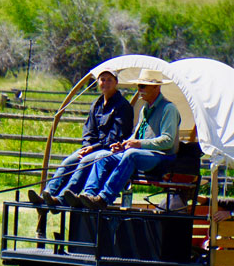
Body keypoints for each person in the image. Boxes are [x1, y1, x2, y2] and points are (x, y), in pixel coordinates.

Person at [75, 69, 180, 209]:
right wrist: (124, 145)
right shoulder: (145, 109)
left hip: (163, 157)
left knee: (131, 154)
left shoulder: (168, 108)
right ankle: (89, 196)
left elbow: (168, 141)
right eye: (138, 86)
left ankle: (104, 198)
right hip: (143, 155)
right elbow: (136, 135)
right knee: (103, 156)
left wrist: (138, 144)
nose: (140, 90)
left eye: (143, 86)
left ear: (156, 87)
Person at [29, 69, 133, 207]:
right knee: (68, 162)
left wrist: (93, 148)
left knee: (85, 161)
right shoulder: (96, 104)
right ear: (97, 82)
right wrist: (87, 146)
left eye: (109, 80)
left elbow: (116, 136)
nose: (105, 83)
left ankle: (61, 199)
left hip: (111, 150)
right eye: (102, 79)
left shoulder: (123, 106)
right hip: (92, 148)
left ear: (116, 83)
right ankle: (46, 195)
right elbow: (88, 130)